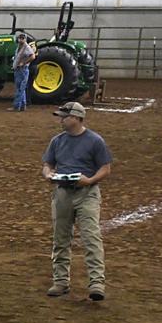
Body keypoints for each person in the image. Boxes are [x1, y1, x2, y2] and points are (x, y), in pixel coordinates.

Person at [40, 101, 113, 301]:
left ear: (77, 118)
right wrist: (49, 174)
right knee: (60, 237)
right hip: (62, 192)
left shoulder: (95, 141)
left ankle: (97, 283)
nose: (61, 119)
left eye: (64, 116)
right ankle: (60, 281)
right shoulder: (57, 141)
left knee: (91, 237)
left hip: (87, 192)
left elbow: (105, 168)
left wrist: (89, 180)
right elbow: (47, 165)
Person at [9, 34, 36, 112]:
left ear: (25, 39)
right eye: (19, 38)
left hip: (22, 70)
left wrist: (23, 63)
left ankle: (16, 106)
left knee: (20, 89)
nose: (20, 40)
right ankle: (22, 106)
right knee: (21, 88)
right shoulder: (19, 47)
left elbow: (32, 56)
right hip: (18, 70)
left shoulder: (26, 47)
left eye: (22, 38)